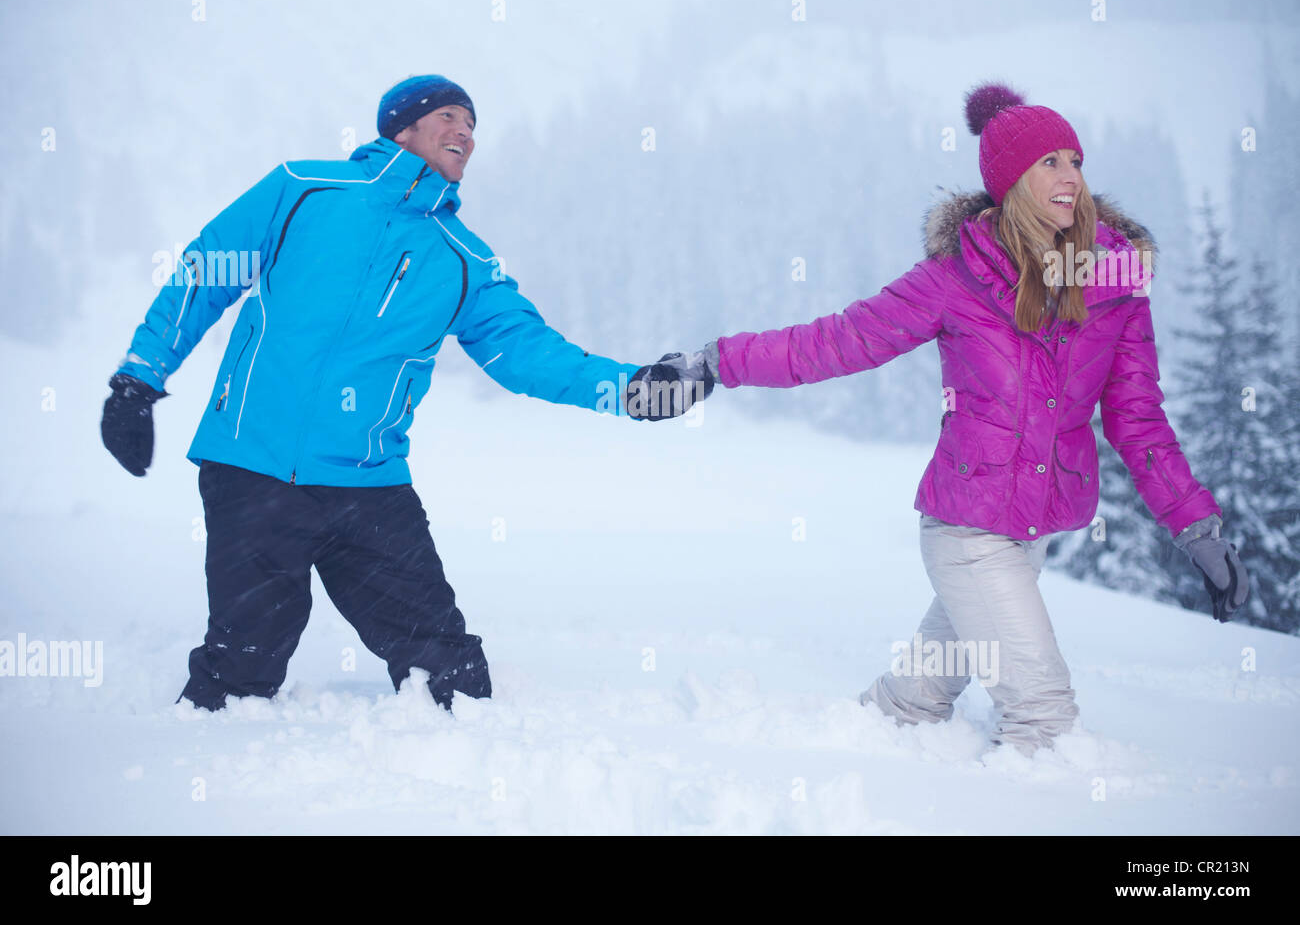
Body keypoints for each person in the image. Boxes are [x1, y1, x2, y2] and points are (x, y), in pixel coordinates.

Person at [658, 82, 1250, 756]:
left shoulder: (1113, 281)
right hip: (967, 533)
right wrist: (713, 362)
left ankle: (859, 748)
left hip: (1032, 533)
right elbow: (834, 341)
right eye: (1048, 163)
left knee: (915, 702)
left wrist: (1196, 527)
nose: (1069, 178)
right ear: (1010, 182)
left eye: (1075, 161)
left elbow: (1137, 418)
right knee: (1045, 723)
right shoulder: (957, 276)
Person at [100, 74, 709, 713]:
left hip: (369, 488)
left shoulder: (464, 260)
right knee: (240, 676)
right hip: (252, 468)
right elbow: (207, 270)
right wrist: (139, 378)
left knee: (452, 678)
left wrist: (630, 390)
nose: (465, 134)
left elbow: (529, 353)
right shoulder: (303, 189)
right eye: (449, 116)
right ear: (401, 126)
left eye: (472, 126)